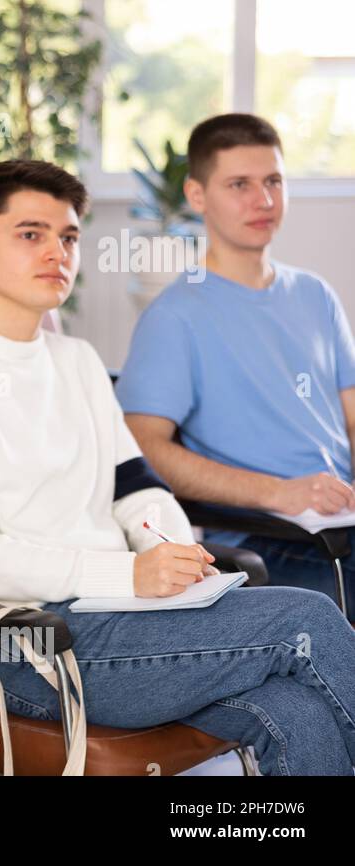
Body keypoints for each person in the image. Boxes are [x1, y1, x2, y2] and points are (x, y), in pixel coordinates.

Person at [0, 160, 355, 775]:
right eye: (31, 234)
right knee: (306, 618)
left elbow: (135, 487)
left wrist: (175, 554)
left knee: (297, 712)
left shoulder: (75, 360)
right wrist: (126, 573)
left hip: (126, 620)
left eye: (69, 237)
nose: (57, 251)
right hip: (30, 646)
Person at [117, 113, 355, 617]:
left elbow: (351, 416)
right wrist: (282, 493)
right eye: (240, 184)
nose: (263, 200)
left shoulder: (315, 295)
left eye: (273, 181)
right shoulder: (175, 315)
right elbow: (143, 448)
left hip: (343, 520)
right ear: (198, 195)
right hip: (270, 538)